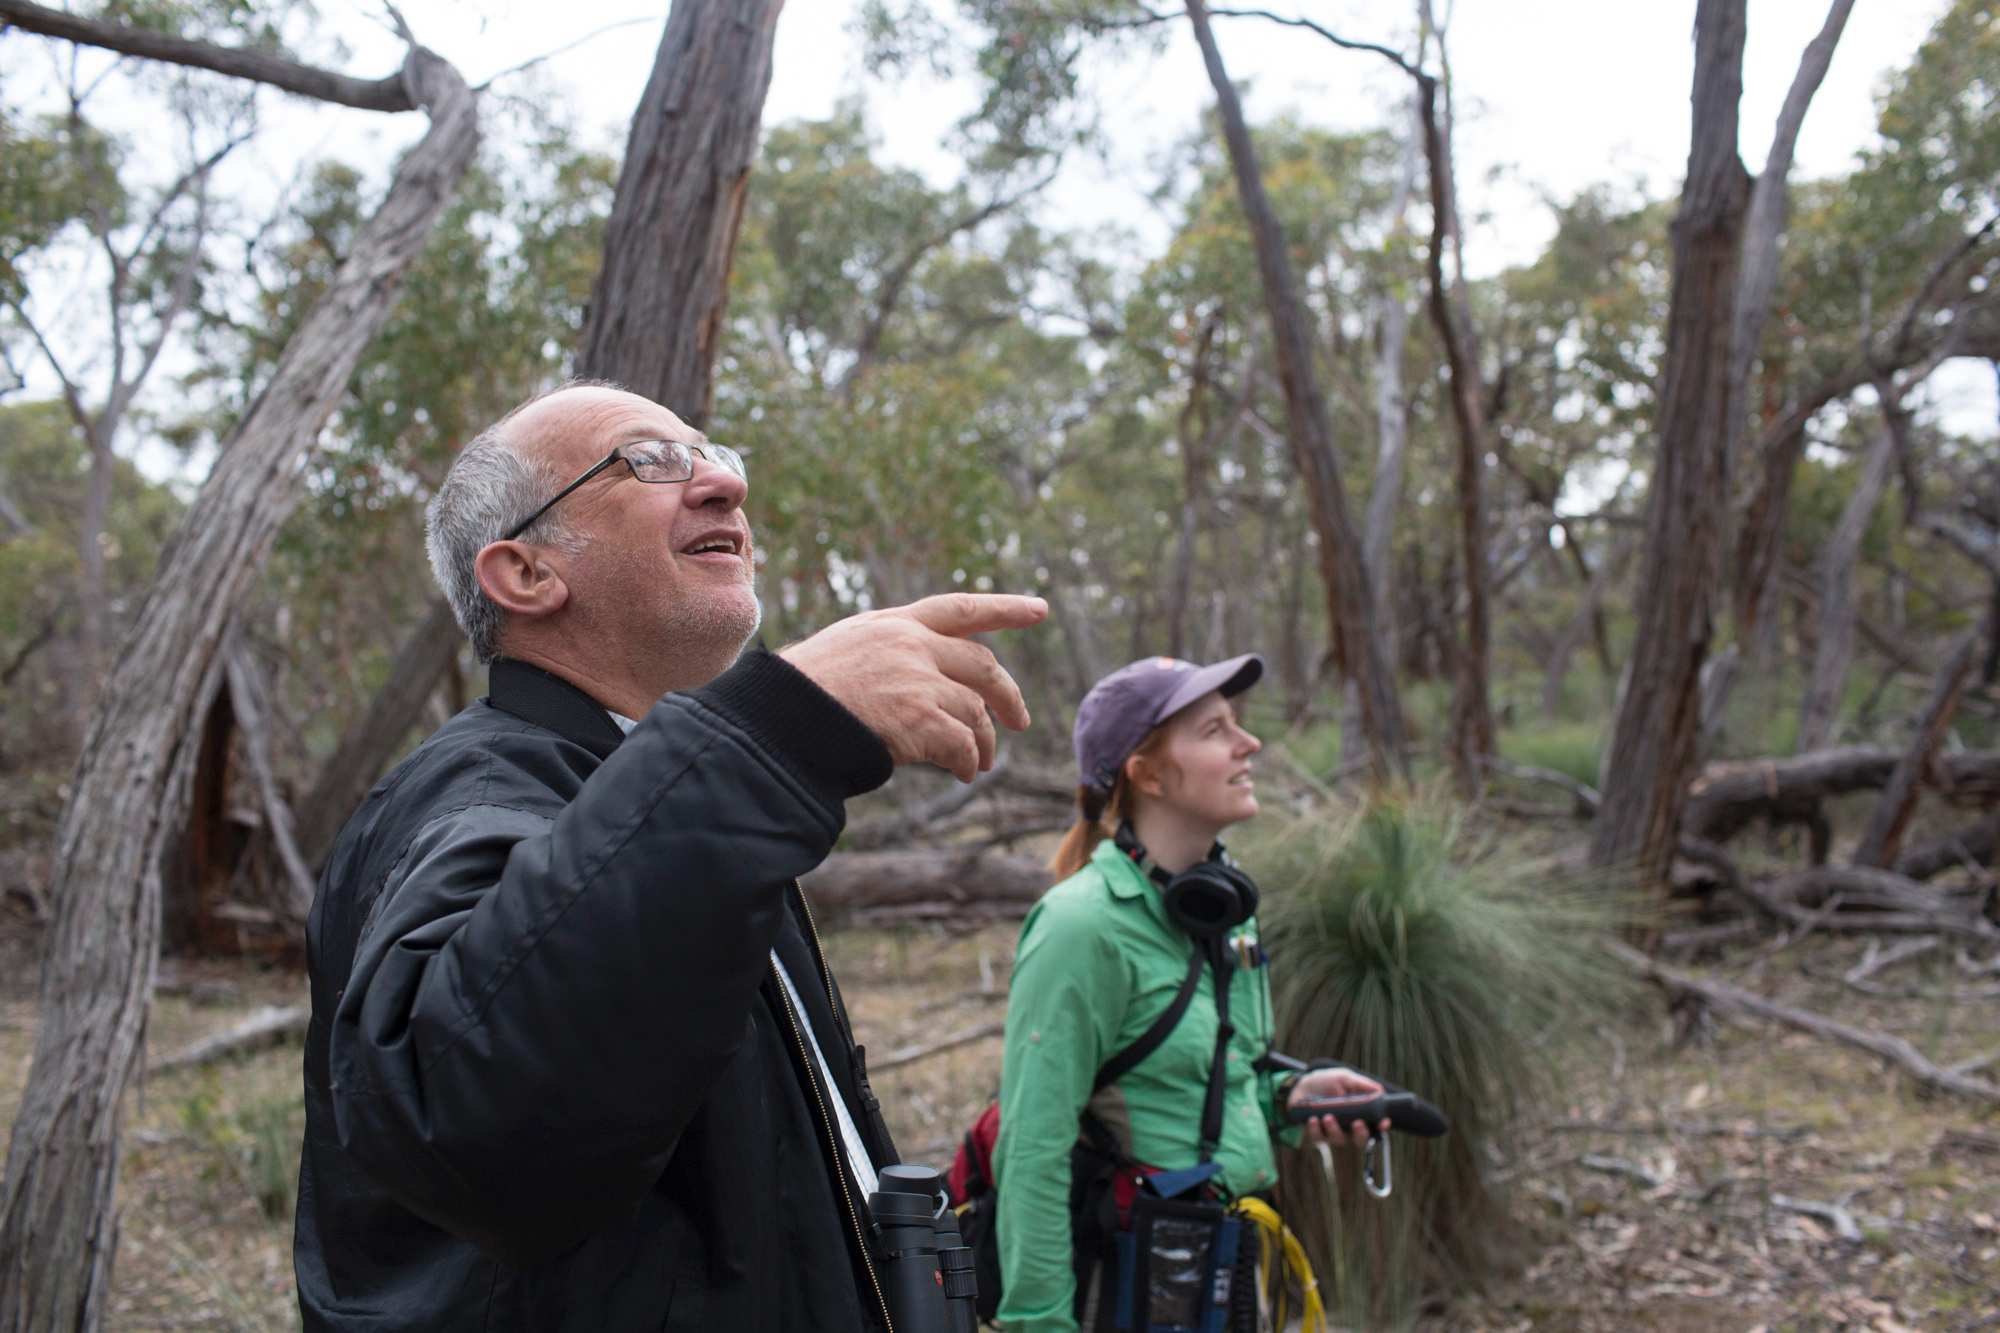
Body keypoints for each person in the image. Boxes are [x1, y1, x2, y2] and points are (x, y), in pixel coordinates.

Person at [295, 380, 1046, 1331]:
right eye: (648, 461)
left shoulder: (670, 790)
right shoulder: (473, 796)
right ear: (526, 573)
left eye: (714, 454)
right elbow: (466, 1115)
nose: (722, 484)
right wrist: (782, 726)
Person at [992, 654, 1385, 1332]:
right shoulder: (1081, 927)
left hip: (1225, 1272)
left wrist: (1288, 1100)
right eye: (1213, 729)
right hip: (1126, 1285)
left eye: (1238, 724)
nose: (1248, 743)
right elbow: (1032, 1148)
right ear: (1147, 772)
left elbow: (1202, 1086)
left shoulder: (1226, 910)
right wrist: (1039, 1323)